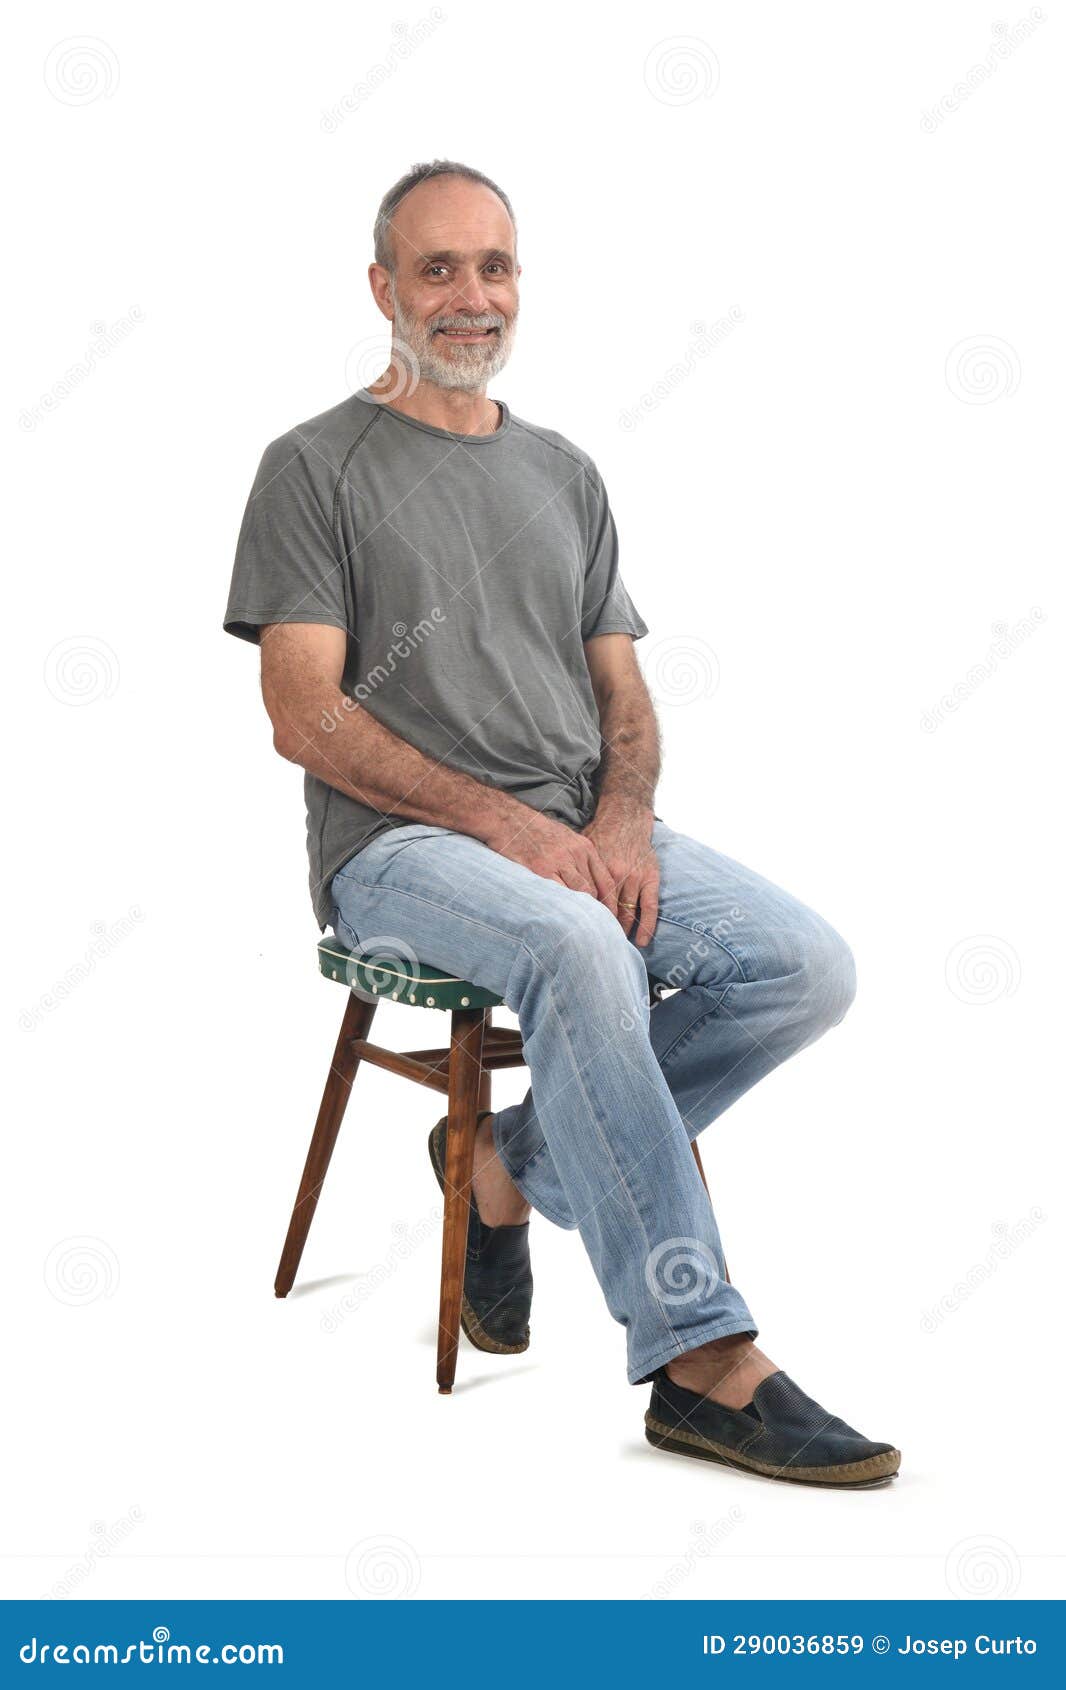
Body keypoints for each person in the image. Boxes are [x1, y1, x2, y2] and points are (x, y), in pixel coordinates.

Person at [224, 159, 899, 1488]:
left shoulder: (564, 471)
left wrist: (622, 820)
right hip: (398, 849)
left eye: (496, 267)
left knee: (803, 966)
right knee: (585, 951)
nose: (471, 297)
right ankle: (700, 1358)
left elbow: (622, 694)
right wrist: (509, 830)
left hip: (573, 822)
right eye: (437, 269)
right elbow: (304, 714)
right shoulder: (311, 468)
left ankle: (503, 1157)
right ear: (382, 289)